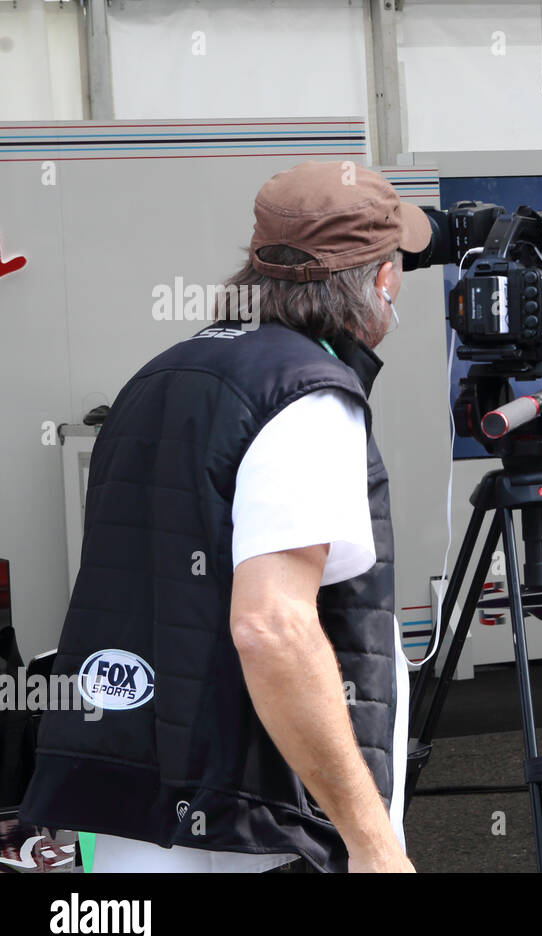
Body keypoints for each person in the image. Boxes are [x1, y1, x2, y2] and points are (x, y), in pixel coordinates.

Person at [20, 161, 429, 873]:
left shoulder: (158, 374)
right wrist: (369, 840)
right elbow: (272, 625)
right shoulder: (307, 396)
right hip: (252, 813)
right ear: (382, 282)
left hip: (123, 787)